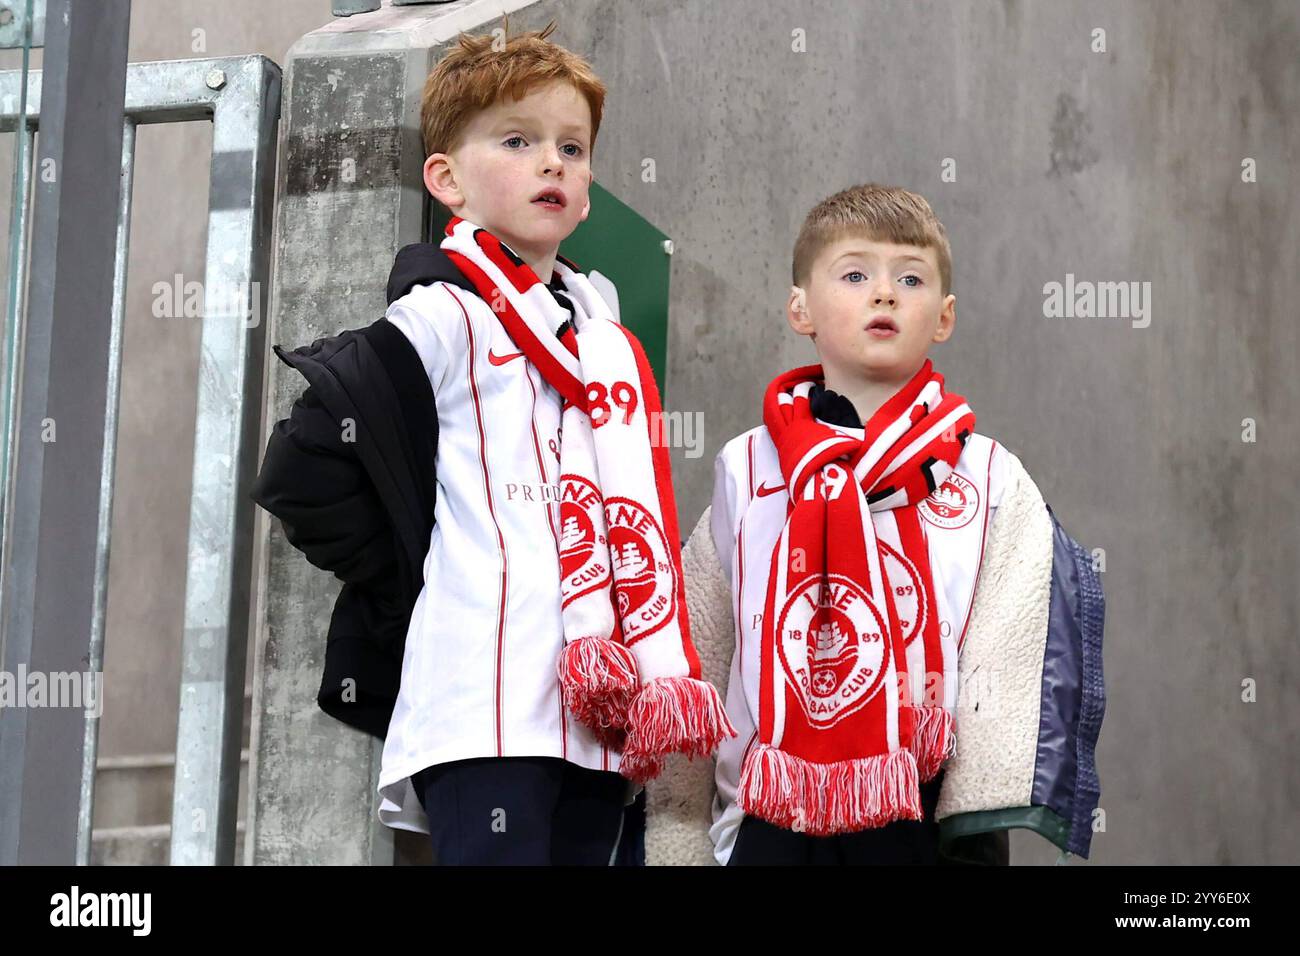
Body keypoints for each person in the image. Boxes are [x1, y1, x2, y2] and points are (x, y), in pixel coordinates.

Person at [251, 20, 731, 866]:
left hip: (602, 725)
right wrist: (414, 563)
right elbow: (301, 466)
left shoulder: (605, 339)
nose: (553, 162)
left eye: (572, 148)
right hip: (484, 708)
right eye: (518, 141)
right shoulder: (444, 313)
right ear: (447, 180)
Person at [644, 183, 1106, 866]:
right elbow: (703, 639)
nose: (884, 293)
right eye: (855, 274)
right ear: (800, 308)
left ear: (944, 317)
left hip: (924, 806)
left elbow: (1014, 642)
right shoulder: (748, 467)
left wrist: (978, 804)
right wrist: (679, 820)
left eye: (910, 277)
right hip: (773, 802)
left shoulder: (986, 475)